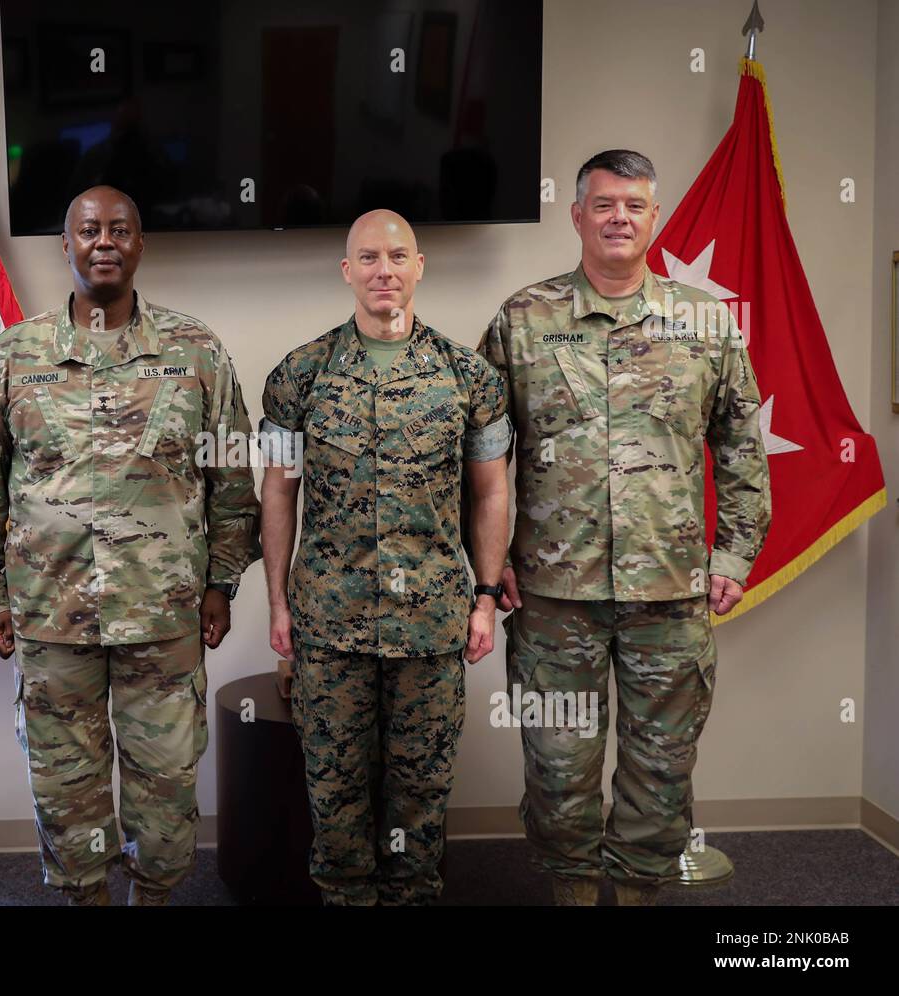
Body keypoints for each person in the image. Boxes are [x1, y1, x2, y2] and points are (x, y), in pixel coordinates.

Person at [0, 185, 261, 906]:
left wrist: (222, 584)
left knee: (167, 791)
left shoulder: (195, 351)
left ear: (140, 244)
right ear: (67, 246)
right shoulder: (14, 356)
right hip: (50, 621)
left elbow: (232, 479)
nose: (104, 241)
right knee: (67, 793)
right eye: (88, 230)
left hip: (165, 620)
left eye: (120, 228)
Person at [478, 149, 772, 906]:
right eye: (603, 203)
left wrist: (735, 553)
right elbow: (478, 458)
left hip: (669, 594)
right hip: (551, 594)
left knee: (660, 770)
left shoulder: (706, 323)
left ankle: (640, 899)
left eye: (633, 205)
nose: (618, 218)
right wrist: (487, 562)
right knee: (557, 768)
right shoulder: (522, 320)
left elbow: (742, 446)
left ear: (654, 217)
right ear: (576, 215)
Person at [258, 209, 512, 905]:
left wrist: (485, 598)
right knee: (335, 799)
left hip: (430, 626)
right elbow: (277, 494)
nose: (383, 270)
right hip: (329, 628)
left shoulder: (469, 377)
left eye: (397, 256)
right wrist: (278, 604)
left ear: (419, 266)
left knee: (420, 799)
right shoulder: (299, 376)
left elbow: (491, 493)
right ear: (348, 271)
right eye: (368, 258)